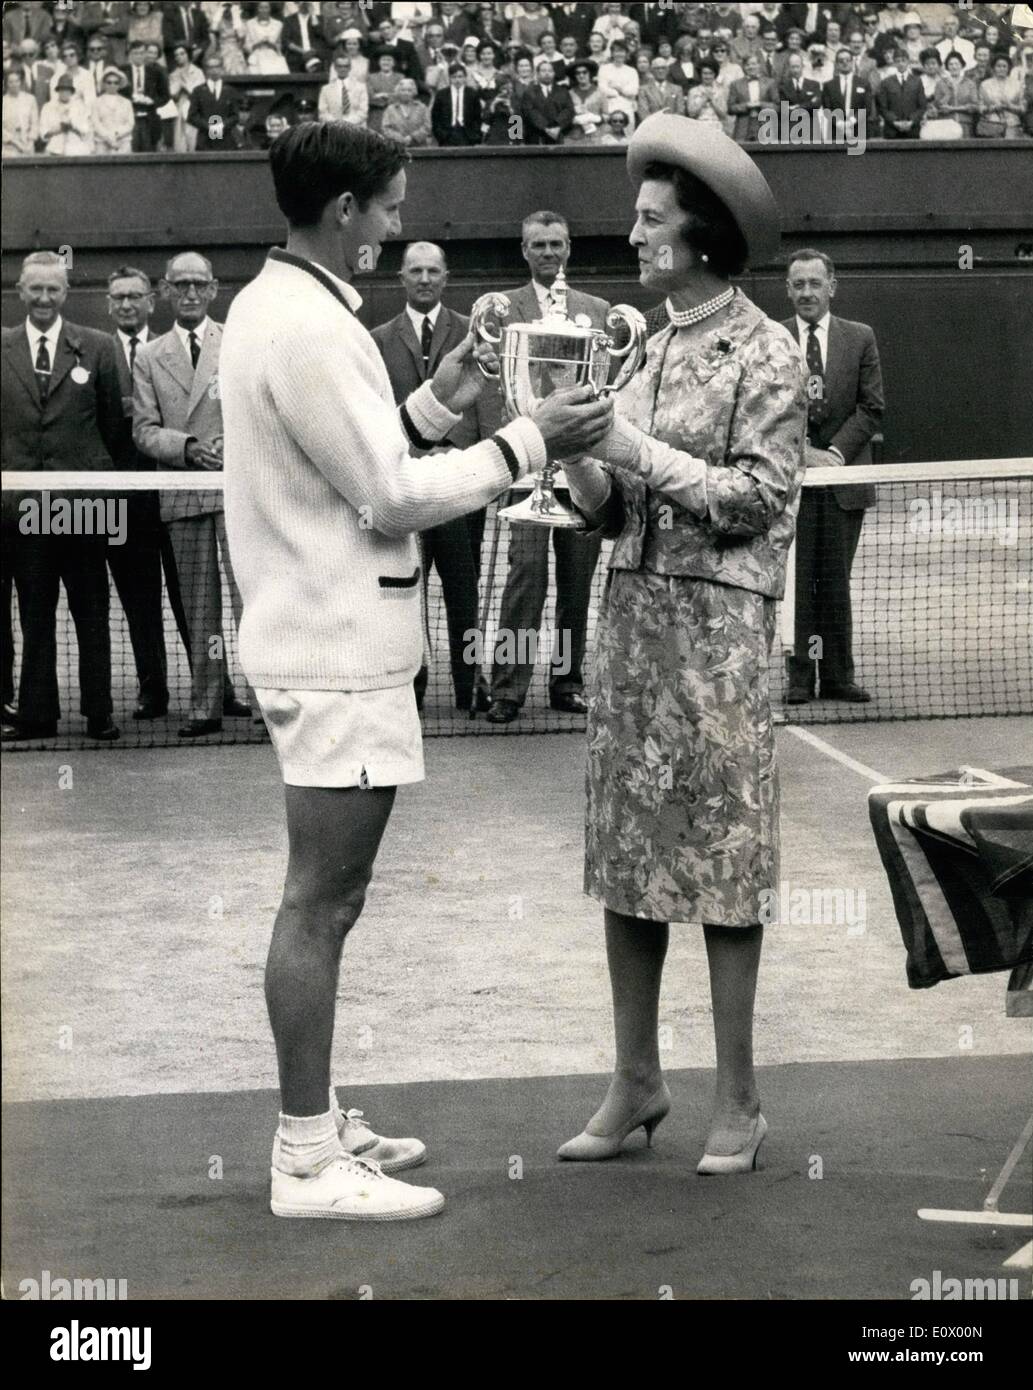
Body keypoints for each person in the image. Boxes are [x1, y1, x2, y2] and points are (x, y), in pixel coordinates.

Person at [218, 119, 611, 1221]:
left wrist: (441, 400)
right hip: (332, 651)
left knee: (327, 899)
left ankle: (318, 1113)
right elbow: (387, 496)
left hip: (335, 644)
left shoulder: (283, 307)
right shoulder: (304, 325)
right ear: (344, 209)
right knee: (322, 899)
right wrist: (527, 442)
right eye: (388, 208)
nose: (397, 229)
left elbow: (358, 451)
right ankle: (303, 1156)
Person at [555, 113, 806, 1175]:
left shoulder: (769, 351)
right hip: (632, 631)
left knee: (719, 869)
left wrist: (630, 446)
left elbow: (758, 500)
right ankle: (636, 1080)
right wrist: (575, 460)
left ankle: (739, 1100)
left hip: (718, 651)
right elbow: (619, 511)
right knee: (626, 863)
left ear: (699, 235)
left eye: (651, 221)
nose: (633, 235)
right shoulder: (643, 344)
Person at [487, 210, 610, 725]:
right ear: (523, 249)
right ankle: (508, 689)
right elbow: (496, 386)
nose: (548, 253)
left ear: (568, 247)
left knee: (578, 580)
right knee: (526, 576)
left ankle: (568, 681)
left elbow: (606, 389)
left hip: (581, 467)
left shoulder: (596, 311)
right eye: (538, 244)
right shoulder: (502, 310)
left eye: (556, 243)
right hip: (526, 465)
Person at [2, 252, 127, 744]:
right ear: (20, 290)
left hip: (82, 507)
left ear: (65, 294)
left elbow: (114, 430)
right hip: (24, 511)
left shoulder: (96, 348)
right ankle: (37, 713)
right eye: (35, 289)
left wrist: (102, 489)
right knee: (35, 612)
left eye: (53, 290)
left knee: (91, 610)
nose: (44, 299)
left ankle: (100, 713)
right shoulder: (4, 348)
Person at [372, 241, 500, 710]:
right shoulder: (379, 338)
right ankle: (411, 681)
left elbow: (487, 402)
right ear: (401, 279)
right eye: (415, 271)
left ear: (446, 277)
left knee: (463, 594)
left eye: (433, 271)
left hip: (461, 487)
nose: (424, 279)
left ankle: (471, 684)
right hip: (405, 485)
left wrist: (482, 465)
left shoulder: (474, 332)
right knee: (406, 591)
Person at [132, 251, 251, 738]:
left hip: (239, 492)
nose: (190, 293)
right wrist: (188, 447)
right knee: (199, 607)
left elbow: (256, 410)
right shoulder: (148, 355)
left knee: (252, 602)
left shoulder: (239, 343)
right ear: (164, 290)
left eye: (199, 284)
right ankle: (207, 704)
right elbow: (144, 429)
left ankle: (269, 703)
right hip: (182, 493)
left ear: (214, 288)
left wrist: (231, 444)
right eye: (180, 284)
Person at [782, 247, 883, 705]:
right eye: (798, 284)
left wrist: (835, 455)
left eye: (814, 283)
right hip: (792, 482)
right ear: (789, 289)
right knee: (800, 580)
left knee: (835, 579)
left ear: (831, 287)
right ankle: (801, 678)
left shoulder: (860, 337)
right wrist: (802, 453)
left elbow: (871, 407)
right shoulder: (774, 339)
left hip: (843, 483)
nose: (807, 292)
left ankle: (839, 676)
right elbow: (767, 409)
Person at [104, 265, 171, 720]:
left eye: (135, 296)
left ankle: (216, 685)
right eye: (118, 297)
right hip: (123, 503)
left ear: (151, 301)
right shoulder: (94, 353)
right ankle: (154, 689)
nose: (127, 304)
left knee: (194, 599)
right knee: (140, 601)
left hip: (175, 490)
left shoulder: (171, 350)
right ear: (109, 304)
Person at [121, 36, 169, 151]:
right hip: (129, 115)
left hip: (149, 116)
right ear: (130, 55)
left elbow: (165, 96)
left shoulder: (156, 72)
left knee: (148, 150)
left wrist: (153, 102)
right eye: (135, 53)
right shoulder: (122, 71)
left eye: (142, 53)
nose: (139, 56)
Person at [823, 43, 875, 141]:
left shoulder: (864, 83)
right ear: (837, 64)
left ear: (852, 62)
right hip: (836, 131)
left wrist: (851, 122)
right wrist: (840, 124)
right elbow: (827, 110)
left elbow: (867, 108)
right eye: (841, 61)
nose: (845, 63)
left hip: (859, 129)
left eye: (847, 60)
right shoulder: (829, 86)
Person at [187, 52, 237, 150]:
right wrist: (208, 126)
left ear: (222, 68)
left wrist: (222, 125)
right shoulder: (198, 91)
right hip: (204, 141)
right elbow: (192, 116)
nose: (214, 70)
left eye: (217, 67)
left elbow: (235, 115)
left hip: (226, 141)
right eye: (210, 67)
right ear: (206, 70)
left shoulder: (230, 91)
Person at [521, 57, 575, 143]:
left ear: (554, 73)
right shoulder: (529, 92)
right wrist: (546, 128)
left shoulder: (562, 91)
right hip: (537, 136)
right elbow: (530, 112)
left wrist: (558, 126)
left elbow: (569, 110)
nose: (547, 73)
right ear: (537, 74)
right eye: (543, 71)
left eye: (550, 71)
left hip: (558, 135)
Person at [876, 46, 925, 137]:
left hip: (913, 129)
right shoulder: (886, 82)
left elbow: (922, 106)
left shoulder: (917, 81)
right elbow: (882, 107)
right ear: (894, 63)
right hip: (892, 130)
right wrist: (895, 121)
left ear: (908, 62)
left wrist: (912, 121)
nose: (901, 64)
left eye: (903, 60)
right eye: (898, 61)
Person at [728, 51, 778, 141]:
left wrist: (760, 104)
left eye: (754, 64)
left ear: (759, 65)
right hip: (743, 126)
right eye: (747, 65)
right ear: (743, 67)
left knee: (766, 153)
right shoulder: (735, 84)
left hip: (765, 124)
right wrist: (746, 105)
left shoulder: (770, 83)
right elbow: (731, 108)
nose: (751, 67)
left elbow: (777, 106)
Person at [40, 73, 94, 154]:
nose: (64, 92)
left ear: (71, 91)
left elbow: (86, 130)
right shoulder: (48, 107)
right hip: (55, 147)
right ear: (58, 90)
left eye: (67, 89)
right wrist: (59, 129)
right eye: (62, 89)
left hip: (75, 147)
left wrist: (73, 126)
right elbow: (43, 132)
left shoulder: (80, 107)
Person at [430, 61, 481, 144]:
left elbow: (477, 117)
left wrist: (474, 135)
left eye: (460, 77)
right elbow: (435, 117)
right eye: (454, 77)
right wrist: (441, 134)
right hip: (447, 134)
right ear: (449, 78)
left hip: (467, 134)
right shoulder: (441, 94)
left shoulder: (472, 94)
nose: (457, 80)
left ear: (465, 77)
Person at [167, 42, 205, 151]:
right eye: (176, 55)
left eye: (182, 53)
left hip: (194, 109)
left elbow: (199, 92)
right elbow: (173, 94)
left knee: (193, 138)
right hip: (180, 108)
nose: (179, 57)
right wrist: (179, 86)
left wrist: (185, 84)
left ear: (188, 55)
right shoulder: (173, 74)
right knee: (180, 141)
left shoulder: (197, 72)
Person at [978, 53, 1026, 136]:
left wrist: (1009, 106)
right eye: (998, 66)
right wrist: (992, 108)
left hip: (1013, 125)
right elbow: (980, 107)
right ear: (993, 68)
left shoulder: (1017, 85)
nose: (1001, 69)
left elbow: (1023, 108)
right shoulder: (985, 85)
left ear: (1009, 68)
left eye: (1004, 66)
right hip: (991, 125)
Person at [934, 50, 980, 137]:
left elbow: (974, 106)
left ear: (961, 65)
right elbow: (938, 105)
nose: (954, 67)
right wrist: (949, 93)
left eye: (957, 64)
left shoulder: (970, 83)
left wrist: (953, 109)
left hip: (965, 123)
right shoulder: (941, 83)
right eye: (951, 64)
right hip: (947, 123)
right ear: (947, 66)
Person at [317, 49, 369, 126]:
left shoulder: (361, 87)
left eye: (346, 66)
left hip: (355, 129)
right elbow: (323, 113)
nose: (343, 69)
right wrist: (337, 124)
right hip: (333, 129)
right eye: (340, 66)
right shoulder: (326, 89)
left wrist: (346, 123)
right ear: (335, 68)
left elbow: (363, 112)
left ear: (350, 67)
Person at [91, 64, 135, 151]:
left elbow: (130, 123)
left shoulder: (126, 102)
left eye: (116, 82)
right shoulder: (96, 102)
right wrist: (108, 136)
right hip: (102, 143)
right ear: (104, 84)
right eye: (109, 82)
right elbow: (95, 123)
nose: (112, 85)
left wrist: (117, 134)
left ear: (119, 84)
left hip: (123, 142)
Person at [598, 37, 639, 129]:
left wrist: (618, 88)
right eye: (616, 51)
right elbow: (602, 89)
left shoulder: (632, 71)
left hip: (627, 107)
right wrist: (619, 93)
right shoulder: (604, 69)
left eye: (622, 51)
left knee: (627, 136)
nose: (619, 54)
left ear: (626, 53)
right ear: (612, 53)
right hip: (609, 106)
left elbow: (633, 91)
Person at [282, 0, 331, 74]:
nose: (305, 4)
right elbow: (286, 41)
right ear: (297, 4)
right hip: (297, 55)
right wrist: (302, 51)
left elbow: (320, 34)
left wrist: (313, 15)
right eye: (302, 2)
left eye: (307, 3)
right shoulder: (289, 20)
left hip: (315, 55)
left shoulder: (319, 19)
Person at [381, 76, 432, 144]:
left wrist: (412, 137)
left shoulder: (422, 108)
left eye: (409, 90)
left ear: (414, 92)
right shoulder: (390, 109)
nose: (406, 93)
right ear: (398, 91)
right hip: (396, 147)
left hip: (418, 147)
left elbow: (427, 127)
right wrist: (399, 138)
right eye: (403, 90)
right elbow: (385, 128)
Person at [244, 0, 289, 75]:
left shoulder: (278, 24)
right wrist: (258, 43)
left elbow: (279, 45)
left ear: (270, 9)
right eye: (261, 7)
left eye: (266, 7)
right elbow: (246, 45)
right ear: (257, 9)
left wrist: (271, 43)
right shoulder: (250, 23)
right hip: (256, 55)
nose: (264, 10)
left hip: (273, 56)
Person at [565, 57, 605, 141]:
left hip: (596, 135)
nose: (581, 75)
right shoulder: (569, 93)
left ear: (590, 73)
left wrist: (596, 118)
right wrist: (574, 119)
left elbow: (607, 115)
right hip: (574, 136)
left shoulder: (600, 93)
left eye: (584, 72)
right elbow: (565, 114)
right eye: (577, 73)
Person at [3, 67, 39, 157]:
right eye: (10, 82)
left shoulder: (30, 99)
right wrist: (15, 142)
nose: (14, 84)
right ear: (6, 83)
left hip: (27, 146)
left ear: (21, 82)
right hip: (8, 147)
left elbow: (35, 123)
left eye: (16, 81)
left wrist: (30, 142)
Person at [162, 2, 209, 68]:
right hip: (177, 54)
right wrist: (186, 50)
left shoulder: (199, 14)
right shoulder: (169, 14)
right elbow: (168, 40)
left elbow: (206, 39)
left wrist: (199, 50)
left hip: (197, 54)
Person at [367, 48, 404, 133]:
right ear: (379, 62)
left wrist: (382, 95)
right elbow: (370, 98)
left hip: (395, 114)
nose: (386, 62)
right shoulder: (371, 77)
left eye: (389, 60)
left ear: (394, 63)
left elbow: (401, 97)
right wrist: (392, 95)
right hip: (376, 115)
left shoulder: (400, 77)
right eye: (383, 60)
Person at [686, 58, 728, 127]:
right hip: (698, 125)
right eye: (705, 73)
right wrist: (703, 100)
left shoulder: (720, 91)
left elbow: (723, 115)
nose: (708, 76)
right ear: (700, 74)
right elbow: (691, 114)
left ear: (715, 74)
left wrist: (712, 101)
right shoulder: (693, 91)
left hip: (716, 126)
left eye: (711, 73)